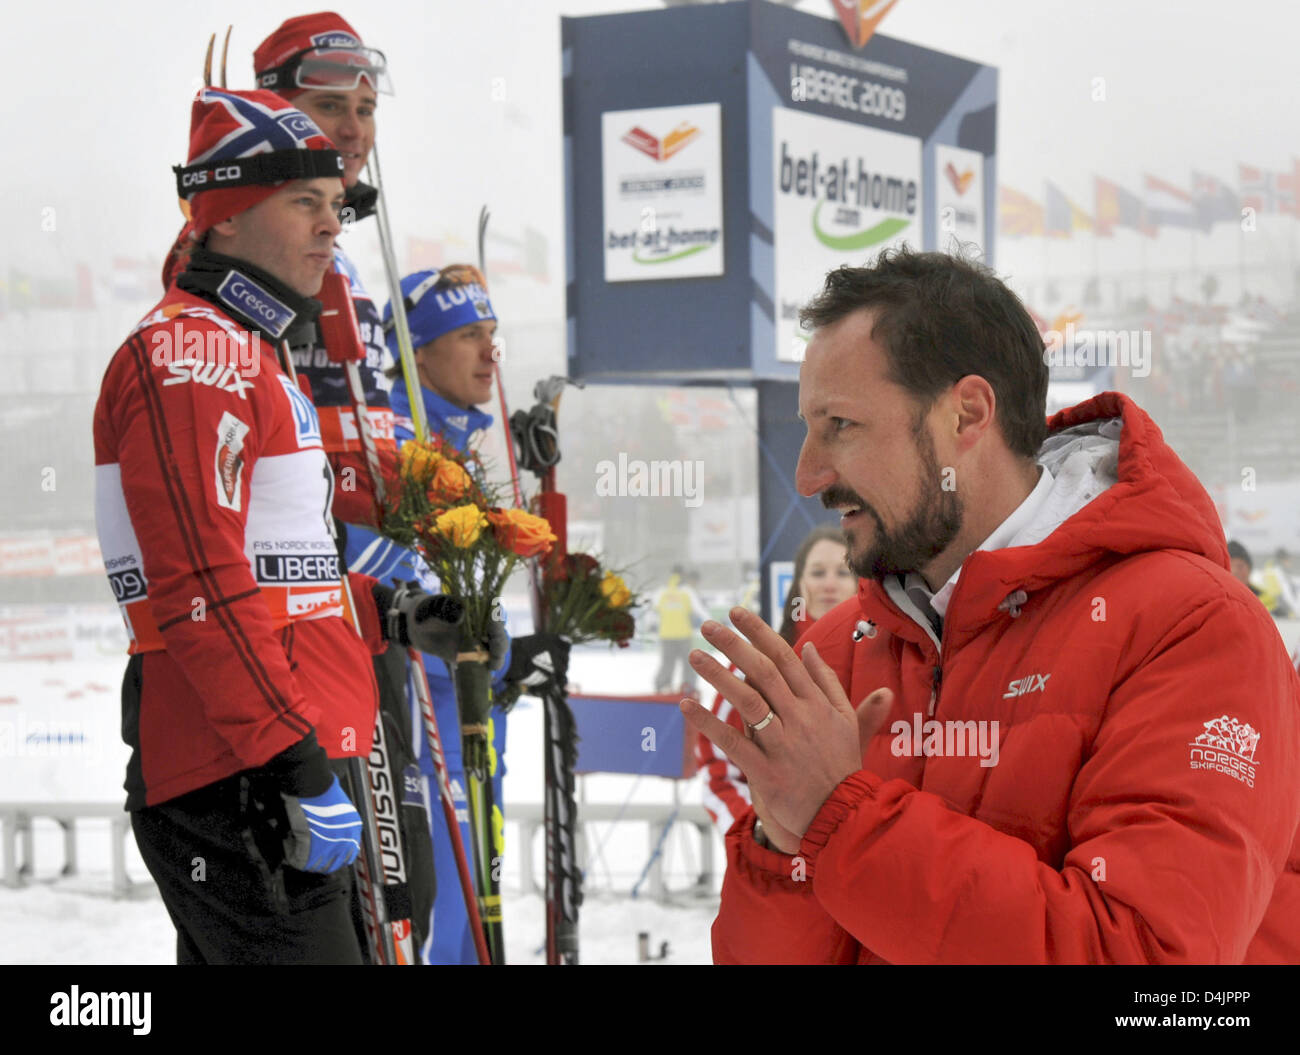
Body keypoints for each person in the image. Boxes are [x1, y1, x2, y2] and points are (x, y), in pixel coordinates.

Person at [683, 246, 1300, 964]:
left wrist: (841, 820)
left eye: (841, 426)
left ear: (966, 415)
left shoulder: (1194, 628)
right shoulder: (836, 647)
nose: (809, 473)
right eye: (808, 429)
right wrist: (780, 846)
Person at [95, 87, 461, 964]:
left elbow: (277, 574)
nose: (331, 226)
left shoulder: (245, 349)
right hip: (241, 773)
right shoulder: (192, 352)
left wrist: (387, 613)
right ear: (223, 214)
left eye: (337, 205)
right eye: (305, 201)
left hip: (276, 755)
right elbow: (199, 583)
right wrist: (287, 762)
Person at [347, 264, 568, 963]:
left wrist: (517, 656)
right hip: (420, 729)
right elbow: (406, 608)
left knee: (479, 915)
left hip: (474, 720)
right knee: (446, 920)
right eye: (468, 334)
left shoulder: (471, 440)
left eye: (493, 333)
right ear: (415, 351)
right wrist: (498, 654)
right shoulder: (394, 443)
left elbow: (470, 600)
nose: (489, 351)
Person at [696, 524, 855, 835]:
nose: (830, 584)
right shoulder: (752, 667)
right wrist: (762, 835)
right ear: (799, 583)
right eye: (818, 573)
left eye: (843, 572)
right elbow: (719, 773)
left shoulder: (888, 662)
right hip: (781, 871)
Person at [651, 566, 710, 694]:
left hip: (666, 634)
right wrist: (711, 623)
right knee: (688, 662)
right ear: (683, 575)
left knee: (667, 662)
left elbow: (653, 610)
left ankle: (663, 685)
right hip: (684, 634)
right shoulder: (687, 592)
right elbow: (700, 610)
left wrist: (652, 624)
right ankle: (688, 686)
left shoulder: (662, 592)